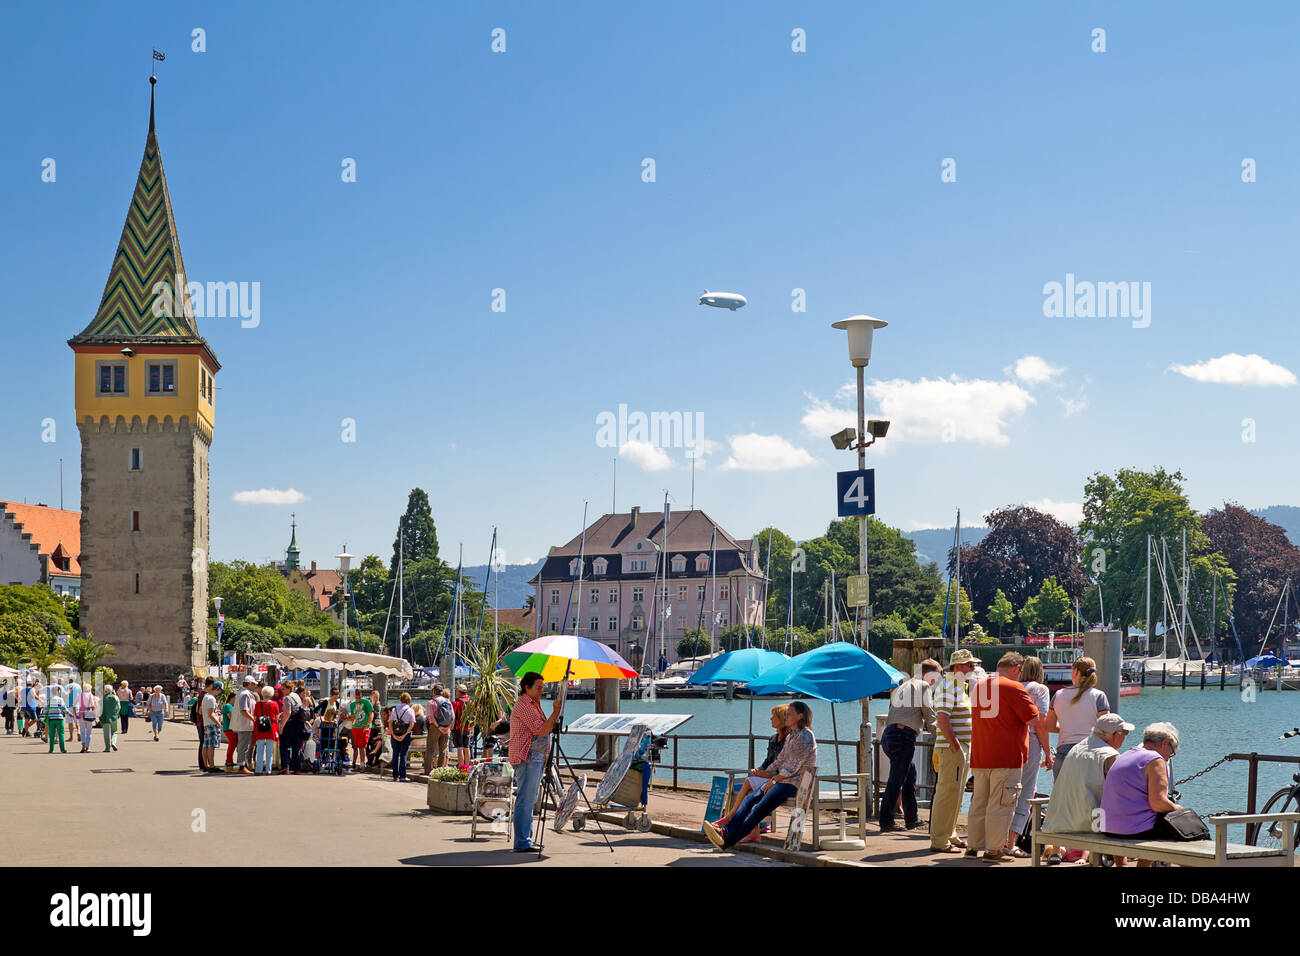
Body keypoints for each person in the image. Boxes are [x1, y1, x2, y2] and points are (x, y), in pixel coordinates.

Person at [705, 701, 817, 850]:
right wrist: (765, 772)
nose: (786, 716)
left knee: (759, 809)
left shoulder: (805, 736)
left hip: (794, 784)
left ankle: (727, 839)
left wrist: (773, 781)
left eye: (789, 714)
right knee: (749, 800)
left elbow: (792, 768)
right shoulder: (792, 735)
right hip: (782, 781)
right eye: (786, 713)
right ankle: (725, 832)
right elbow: (780, 760)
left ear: (800, 716)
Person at [966, 652, 1039, 860]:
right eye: (1021, 671)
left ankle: (973, 846)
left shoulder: (979, 686)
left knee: (979, 802)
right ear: (1016, 668)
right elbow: (1033, 718)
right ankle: (993, 850)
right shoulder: (1014, 687)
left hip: (981, 755)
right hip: (1006, 756)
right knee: (1002, 804)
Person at [1041, 713, 1133, 863]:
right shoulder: (1110, 755)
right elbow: (1122, 794)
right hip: (1090, 824)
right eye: (1125, 733)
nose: (1125, 737)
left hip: (1060, 822)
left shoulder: (1076, 749)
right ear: (1115, 734)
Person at [1100, 722, 1187, 863]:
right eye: (1171, 752)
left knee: (1157, 824)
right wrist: (1178, 809)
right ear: (1165, 743)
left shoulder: (1123, 756)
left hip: (1108, 828)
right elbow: (1158, 803)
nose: (1168, 758)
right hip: (1134, 831)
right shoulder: (1155, 760)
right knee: (1189, 833)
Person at [879, 659, 939, 832]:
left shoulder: (902, 686)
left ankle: (911, 819)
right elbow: (930, 715)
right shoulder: (923, 686)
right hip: (903, 735)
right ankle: (886, 821)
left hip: (889, 734)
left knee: (908, 773)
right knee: (896, 779)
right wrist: (940, 740)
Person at [714, 704, 790, 838]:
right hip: (769, 777)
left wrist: (766, 774)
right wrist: (758, 770)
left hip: (780, 780)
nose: (771, 719)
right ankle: (753, 834)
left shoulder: (789, 740)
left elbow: (784, 767)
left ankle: (729, 817)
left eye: (774, 716)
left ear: (782, 720)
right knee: (750, 790)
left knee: (749, 782)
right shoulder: (773, 738)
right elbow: (768, 762)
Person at [929, 649, 977, 853]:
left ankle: (949, 833)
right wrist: (955, 743)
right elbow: (942, 717)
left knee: (955, 793)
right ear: (959, 667)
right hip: (954, 748)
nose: (973, 669)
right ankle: (940, 839)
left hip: (958, 747)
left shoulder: (956, 686)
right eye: (969, 665)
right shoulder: (950, 686)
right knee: (948, 792)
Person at [1005, 656, 1053, 857]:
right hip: (1030, 744)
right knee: (1026, 793)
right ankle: (1011, 841)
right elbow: (1040, 724)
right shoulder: (1040, 689)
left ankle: (996, 837)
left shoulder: (1011, 686)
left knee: (1006, 791)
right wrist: (1048, 753)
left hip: (1007, 743)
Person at [508, 672, 561, 852]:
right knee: (526, 799)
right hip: (527, 757)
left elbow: (545, 728)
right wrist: (555, 711)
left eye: (542, 687)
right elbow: (540, 730)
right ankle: (522, 842)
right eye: (538, 687)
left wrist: (554, 717)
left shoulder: (533, 705)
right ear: (527, 687)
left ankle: (526, 839)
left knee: (529, 799)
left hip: (534, 757)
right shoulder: (525, 705)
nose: (541, 691)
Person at [1046, 657, 1110, 778]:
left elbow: (1049, 726)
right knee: (1090, 795)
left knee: (1062, 795)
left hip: (1064, 752)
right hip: (1090, 750)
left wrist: (1068, 728)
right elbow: (1106, 728)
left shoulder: (1058, 695)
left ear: (1075, 672)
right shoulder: (1098, 696)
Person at [232, 675, 258, 775]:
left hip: (244, 724)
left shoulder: (243, 693)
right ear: (250, 684)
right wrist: (253, 719)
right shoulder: (245, 694)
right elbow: (244, 710)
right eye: (254, 684)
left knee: (244, 746)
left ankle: (244, 765)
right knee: (244, 746)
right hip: (244, 724)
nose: (255, 686)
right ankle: (242, 766)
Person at [252, 686, 281, 775]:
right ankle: (268, 770)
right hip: (271, 729)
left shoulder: (257, 704)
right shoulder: (274, 704)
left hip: (260, 729)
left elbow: (255, 717)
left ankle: (258, 769)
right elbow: (276, 717)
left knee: (260, 750)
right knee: (269, 751)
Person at [278, 681, 305, 774]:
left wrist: (281, 726)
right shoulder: (296, 696)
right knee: (296, 746)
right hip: (299, 723)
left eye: (283, 689)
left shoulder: (287, 698)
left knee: (284, 745)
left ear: (289, 689)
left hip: (290, 723)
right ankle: (297, 767)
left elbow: (287, 712)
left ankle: (285, 767)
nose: (282, 691)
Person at [389, 693, 415, 781]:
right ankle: (403, 776)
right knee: (403, 754)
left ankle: (395, 775)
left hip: (395, 732)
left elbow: (390, 722)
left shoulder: (394, 709)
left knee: (395, 754)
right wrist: (404, 735)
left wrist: (393, 734)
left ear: (401, 699)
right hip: (405, 733)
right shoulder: (410, 710)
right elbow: (411, 724)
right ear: (409, 700)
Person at [199, 680, 223, 772]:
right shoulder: (211, 698)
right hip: (212, 724)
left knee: (206, 745)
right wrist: (218, 722)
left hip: (206, 723)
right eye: (220, 690)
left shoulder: (205, 697)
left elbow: (202, 711)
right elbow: (210, 714)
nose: (220, 692)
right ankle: (211, 765)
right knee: (211, 746)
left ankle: (206, 765)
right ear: (217, 689)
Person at [428, 687, 454, 771]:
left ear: (434, 692)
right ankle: (440, 770)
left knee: (430, 749)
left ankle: (428, 770)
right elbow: (453, 716)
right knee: (443, 750)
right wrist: (447, 727)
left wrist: (438, 726)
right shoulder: (448, 701)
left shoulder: (431, 702)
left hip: (435, 727)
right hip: (446, 727)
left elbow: (431, 716)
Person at [349, 689, 373, 773]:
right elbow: (353, 716)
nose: (358, 697)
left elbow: (371, 713)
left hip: (364, 726)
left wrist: (368, 725)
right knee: (357, 746)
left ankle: (362, 764)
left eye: (359, 695)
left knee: (362, 746)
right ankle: (359, 764)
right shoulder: (352, 704)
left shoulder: (366, 702)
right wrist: (351, 721)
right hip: (356, 727)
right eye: (356, 695)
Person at [43, 682, 68, 753]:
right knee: (61, 734)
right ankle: (62, 749)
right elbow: (63, 708)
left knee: (51, 735)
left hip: (51, 719)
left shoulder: (49, 700)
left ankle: (51, 749)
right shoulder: (60, 700)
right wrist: (69, 713)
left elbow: (45, 709)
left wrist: (43, 717)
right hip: (59, 719)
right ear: (58, 692)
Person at [452, 684, 473, 766]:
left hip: (458, 727)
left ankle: (461, 768)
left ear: (458, 692)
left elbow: (453, 716)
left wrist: (451, 727)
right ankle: (467, 767)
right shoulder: (471, 702)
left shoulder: (456, 703)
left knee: (460, 749)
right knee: (467, 748)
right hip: (468, 727)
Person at [75, 681, 97, 753]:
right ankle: (87, 747)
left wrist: (76, 714)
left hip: (81, 714)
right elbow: (93, 706)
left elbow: (74, 705)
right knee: (89, 732)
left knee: (82, 731)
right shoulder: (90, 695)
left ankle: (83, 744)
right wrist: (94, 714)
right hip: (88, 714)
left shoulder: (80, 695)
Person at [101, 685, 120, 752]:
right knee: (114, 731)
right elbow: (119, 707)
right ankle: (113, 742)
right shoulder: (115, 697)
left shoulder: (102, 699)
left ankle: (107, 748)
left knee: (106, 733)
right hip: (113, 717)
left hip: (105, 717)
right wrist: (116, 713)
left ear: (105, 691)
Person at [221, 691, 237, 768]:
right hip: (229, 728)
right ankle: (228, 761)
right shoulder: (228, 706)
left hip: (229, 728)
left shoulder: (230, 706)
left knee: (232, 744)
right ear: (232, 698)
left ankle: (229, 760)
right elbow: (231, 717)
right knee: (232, 744)